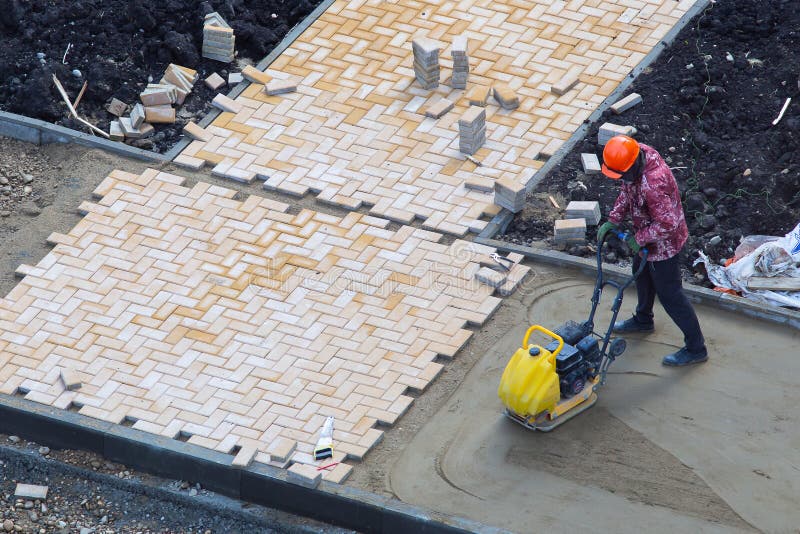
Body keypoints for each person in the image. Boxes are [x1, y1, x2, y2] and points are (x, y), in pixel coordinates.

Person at [596, 135, 707, 366]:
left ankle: (697, 348)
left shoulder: (653, 184)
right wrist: (614, 220)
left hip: (666, 245)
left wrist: (640, 238)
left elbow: (669, 223)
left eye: (623, 175)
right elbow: (627, 190)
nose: (622, 180)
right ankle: (643, 320)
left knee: (670, 295)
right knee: (642, 277)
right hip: (648, 238)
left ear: (633, 165)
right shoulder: (635, 157)